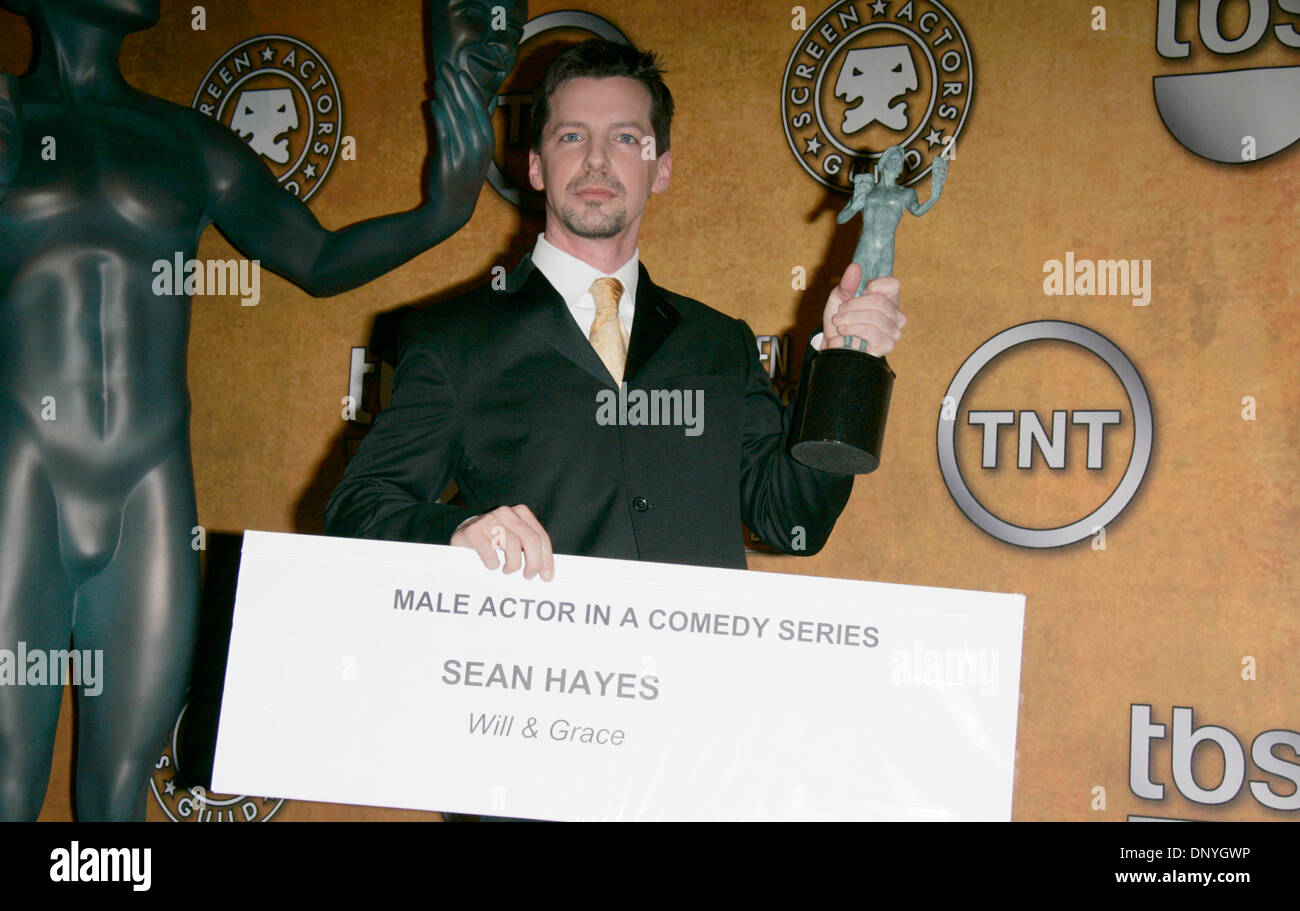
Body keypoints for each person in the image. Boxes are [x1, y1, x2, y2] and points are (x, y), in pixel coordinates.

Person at [0, 0, 525, 821]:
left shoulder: (189, 142)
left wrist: (440, 213)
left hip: (151, 492)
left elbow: (314, 257)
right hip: (18, 486)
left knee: (116, 804)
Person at [324, 38, 906, 585]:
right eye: (572, 136)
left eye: (627, 138)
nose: (597, 160)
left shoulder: (719, 343)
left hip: (696, 682)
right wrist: (455, 532)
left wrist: (844, 365)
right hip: (533, 681)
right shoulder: (456, 340)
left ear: (663, 168)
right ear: (534, 166)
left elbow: (794, 525)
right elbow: (358, 508)